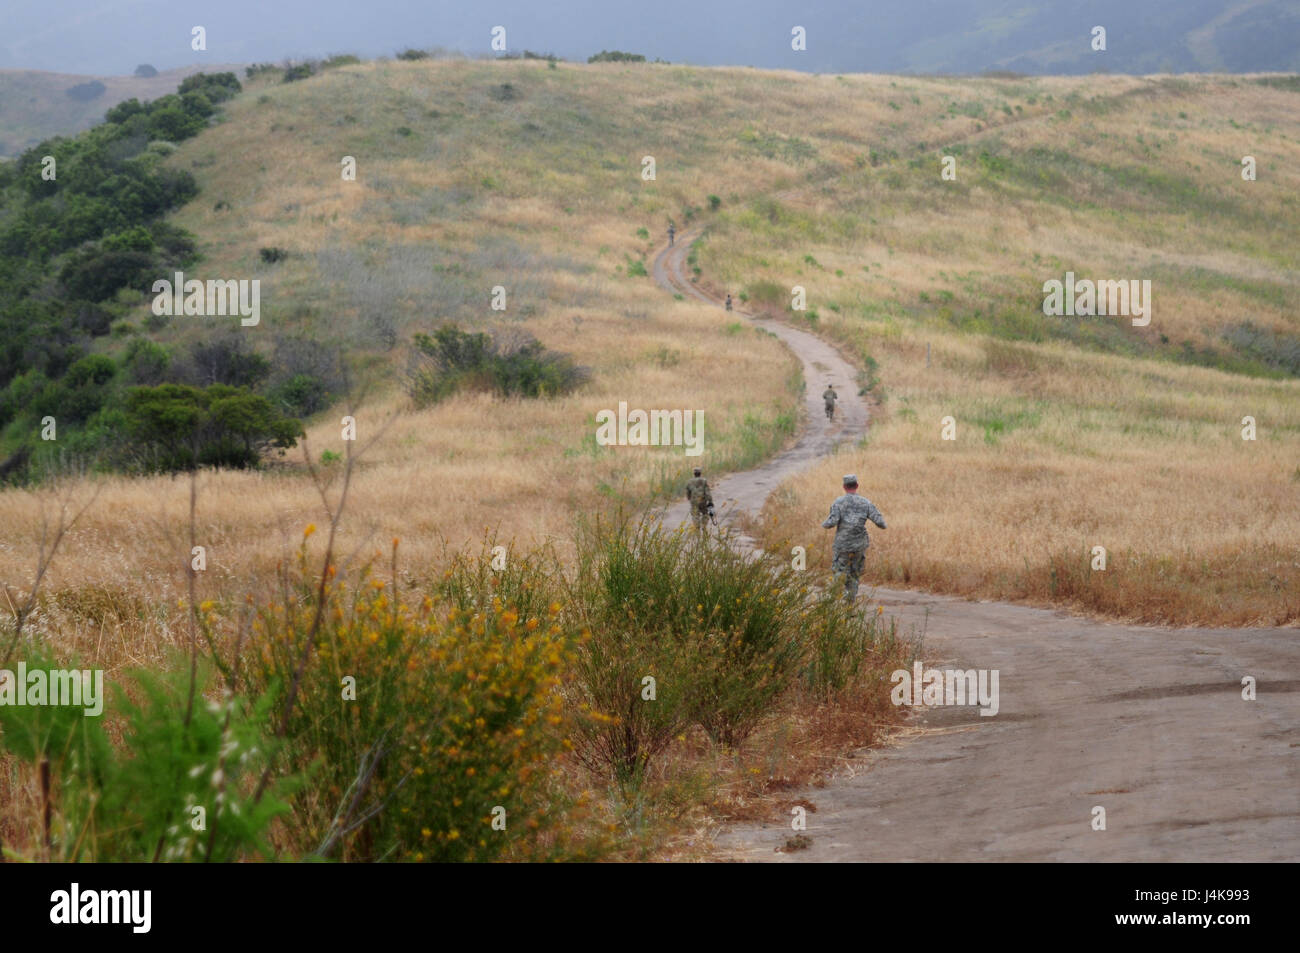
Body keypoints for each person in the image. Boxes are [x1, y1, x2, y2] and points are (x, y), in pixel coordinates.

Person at [821, 474, 886, 604]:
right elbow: (881, 523)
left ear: (844, 487)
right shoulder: (866, 503)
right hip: (859, 545)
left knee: (839, 572)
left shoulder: (838, 502)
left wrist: (823, 524)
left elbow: (831, 523)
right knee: (854, 574)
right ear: (857, 485)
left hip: (842, 545)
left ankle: (832, 603)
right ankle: (849, 605)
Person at [685, 467, 713, 533]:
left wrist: (689, 498)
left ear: (694, 473)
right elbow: (707, 492)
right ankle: (704, 525)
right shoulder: (704, 481)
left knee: (695, 514)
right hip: (703, 501)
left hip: (694, 501)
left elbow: (688, 492)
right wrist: (710, 501)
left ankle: (697, 528)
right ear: (700, 473)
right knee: (705, 513)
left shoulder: (690, 481)